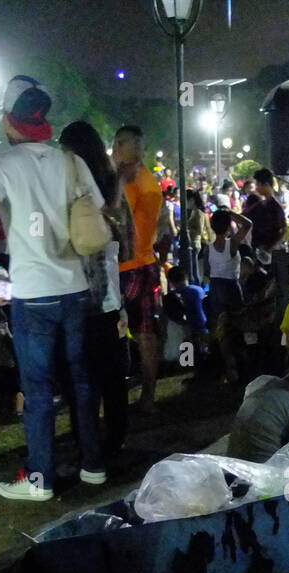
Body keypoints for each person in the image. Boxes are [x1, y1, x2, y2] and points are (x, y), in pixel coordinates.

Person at [0, 75, 107, 500]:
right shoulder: (70, 161)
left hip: (32, 295)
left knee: (37, 389)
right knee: (81, 381)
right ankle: (93, 465)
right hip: (74, 288)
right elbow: (96, 213)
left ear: (8, 121)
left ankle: (41, 479)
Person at [60, 120, 130, 459]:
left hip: (76, 291)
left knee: (80, 374)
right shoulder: (111, 186)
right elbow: (124, 241)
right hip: (110, 293)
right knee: (112, 372)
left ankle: (85, 439)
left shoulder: (69, 186)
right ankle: (116, 436)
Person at [113, 125, 164, 414]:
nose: (114, 150)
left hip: (126, 266)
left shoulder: (132, 182)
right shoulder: (149, 180)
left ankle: (113, 398)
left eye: (120, 144)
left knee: (115, 329)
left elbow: (118, 222)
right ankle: (148, 397)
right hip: (146, 263)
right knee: (145, 333)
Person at [204, 208, 252, 329]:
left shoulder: (208, 249)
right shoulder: (232, 244)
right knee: (236, 322)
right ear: (228, 227)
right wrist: (230, 213)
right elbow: (248, 224)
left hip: (215, 287)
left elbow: (207, 271)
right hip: (231, 286)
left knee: (218, 324)